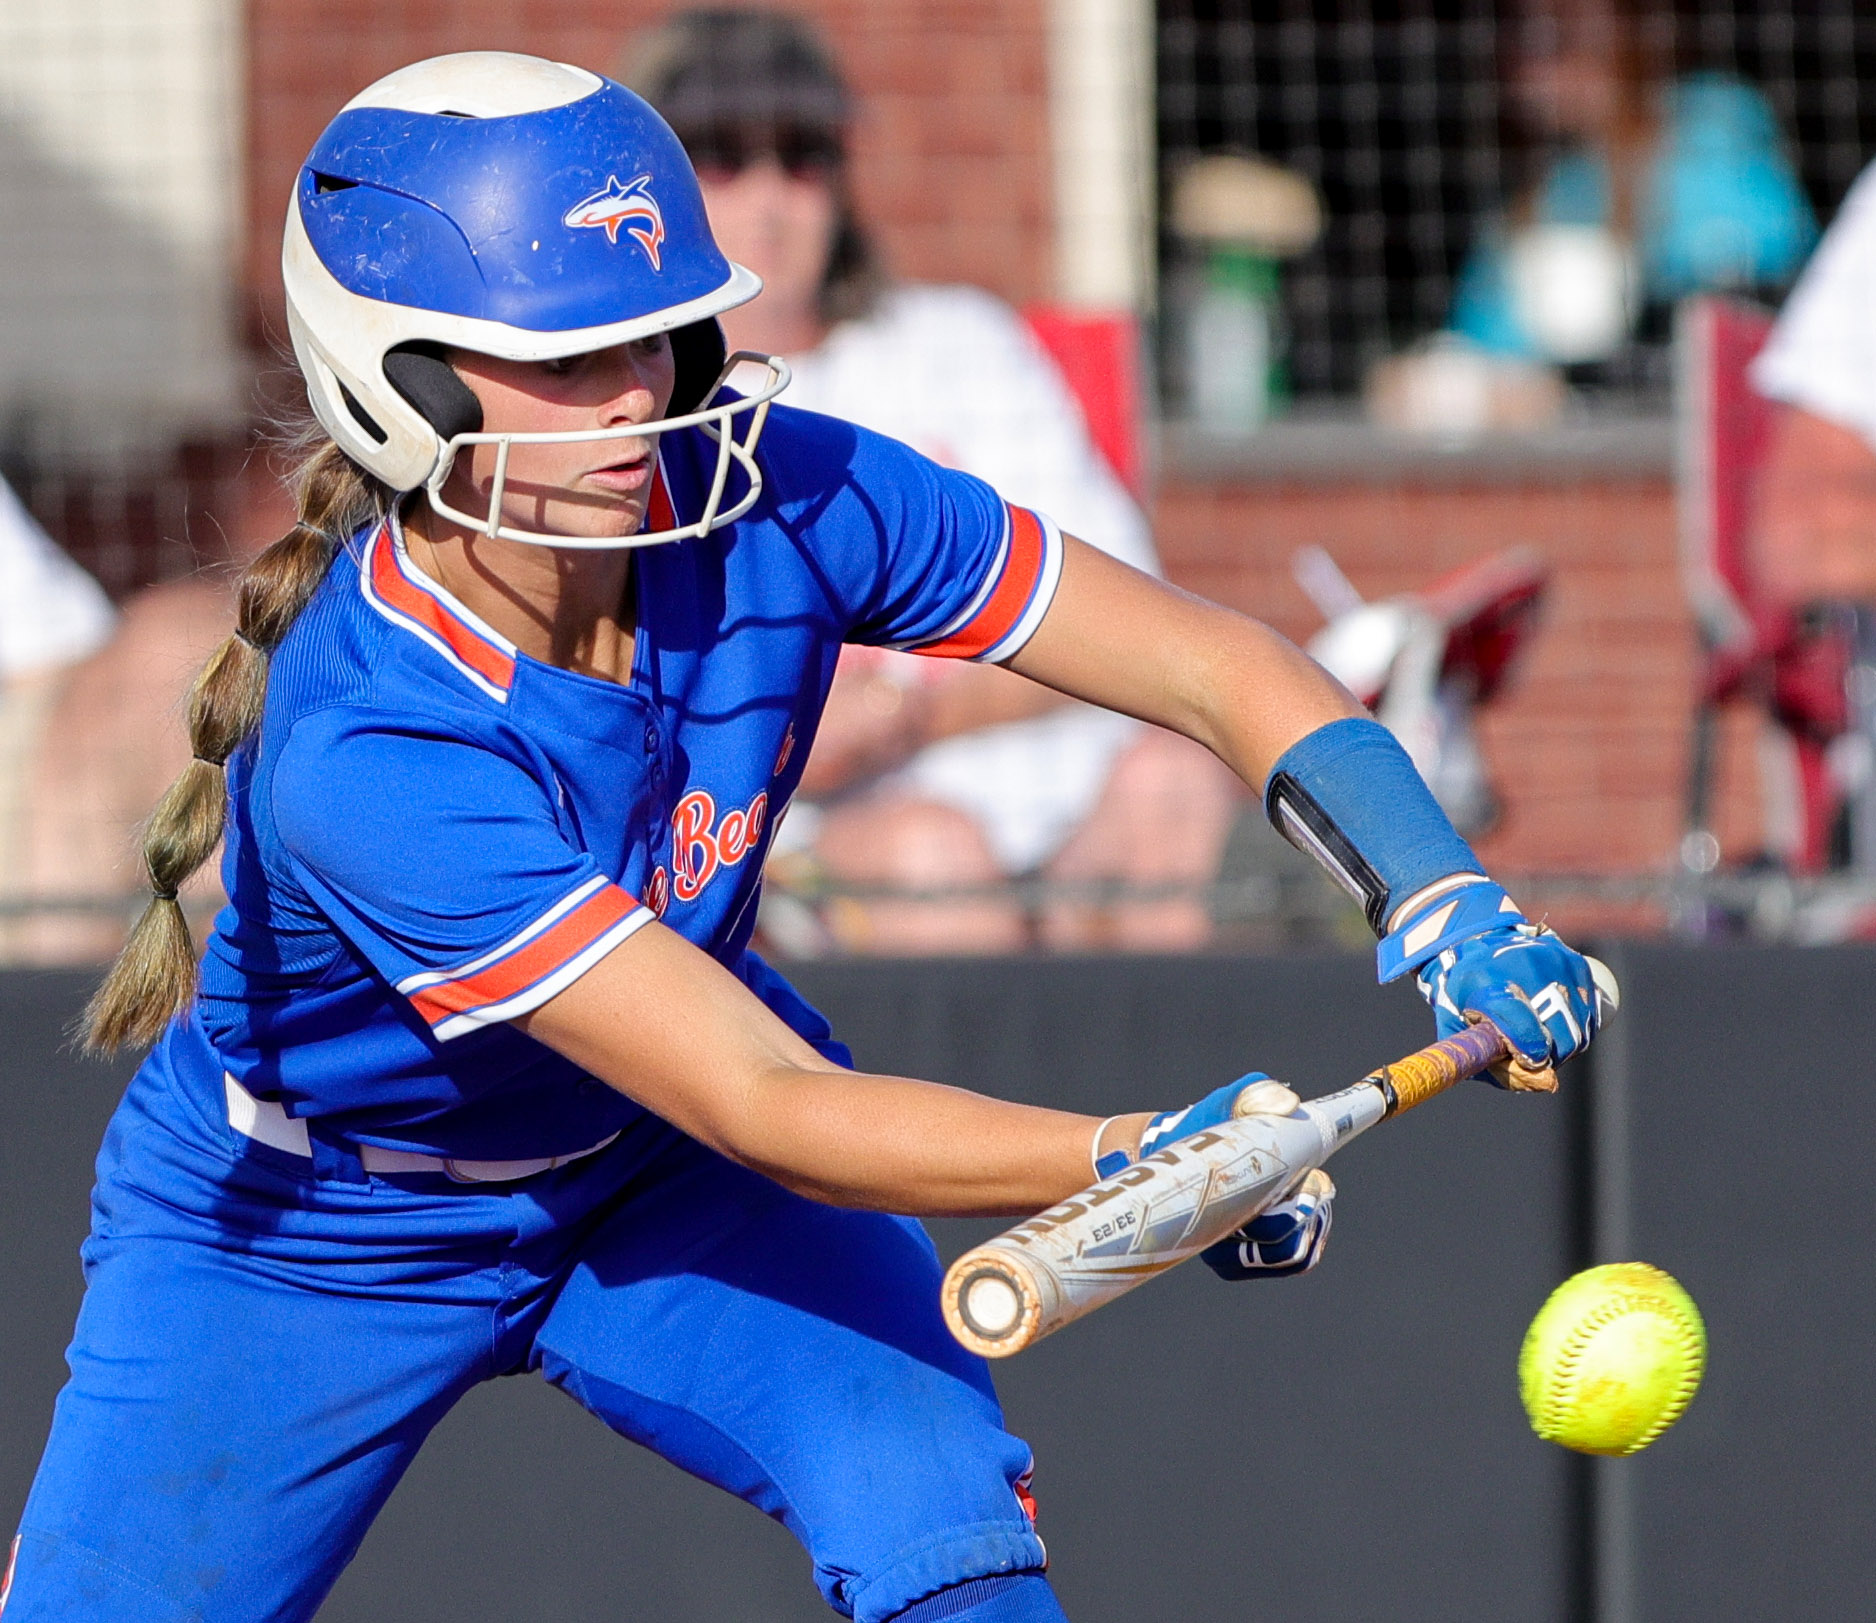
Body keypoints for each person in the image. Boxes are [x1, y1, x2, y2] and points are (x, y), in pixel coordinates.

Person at [4, 54, 1609, 1623]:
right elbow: (766, 1097)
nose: (637, 395)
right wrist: (1134, 1157)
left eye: (658, 333)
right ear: (394, 383)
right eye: (564, 360)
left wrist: (1441, 888)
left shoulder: (776, 491)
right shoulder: (369, 739)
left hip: (656, 1168)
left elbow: (1209, 660)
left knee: (945, 1524)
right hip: (312, 1232)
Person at [629, 9, 1236, 953]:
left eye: (801, 156)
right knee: (936, 859)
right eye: (723, 158)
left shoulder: (962, 345)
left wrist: (906, 715)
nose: (772, 199)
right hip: (810, 849)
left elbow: (1130, 607)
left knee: (1173, 782)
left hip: (1051, 802)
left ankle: (1164, 1097)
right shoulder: (644, 408)